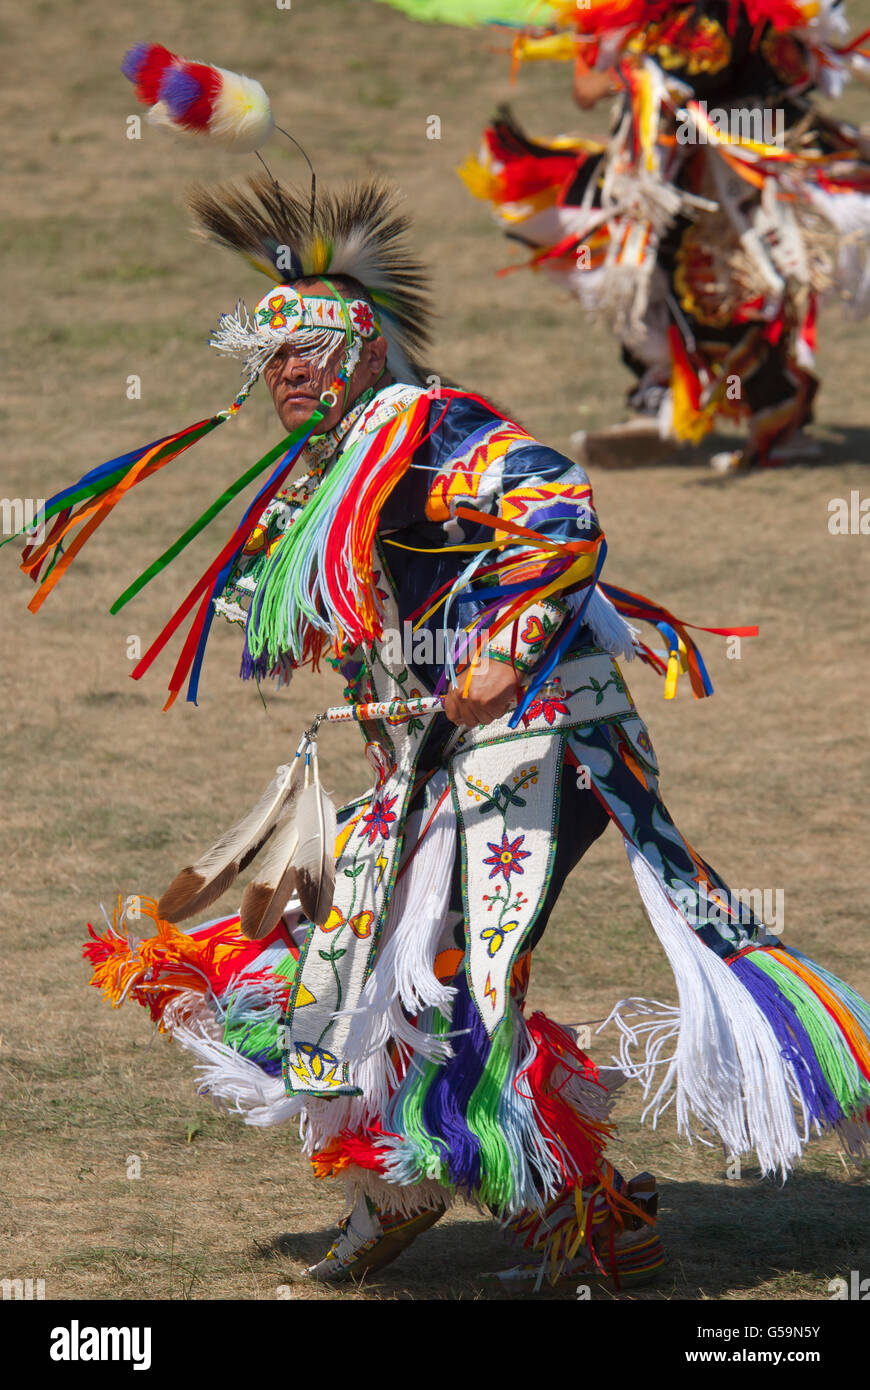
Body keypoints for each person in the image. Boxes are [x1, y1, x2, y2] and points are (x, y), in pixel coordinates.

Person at [68, 168, 870, 1292]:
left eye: (308, 350)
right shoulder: (330, 467)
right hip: (440, 763)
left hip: (542, 742)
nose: (285, 371)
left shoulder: (435, 430)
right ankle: (411, 1184)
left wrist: (503, 653)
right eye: (271, 356)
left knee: (458, 982)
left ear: (361, 354)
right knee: (341, 954)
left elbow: (563, 514)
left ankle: (577, 1218)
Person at [451, 0, 870, 470]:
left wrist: (639, 67)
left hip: (737, 170)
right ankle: (663, 389)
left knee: (723, 288)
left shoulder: (722, 14)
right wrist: (617, 56)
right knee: (623, 257)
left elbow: (718, 76)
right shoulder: (630, 11)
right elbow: (587, 90)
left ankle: (773, 417)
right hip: (659, 173)